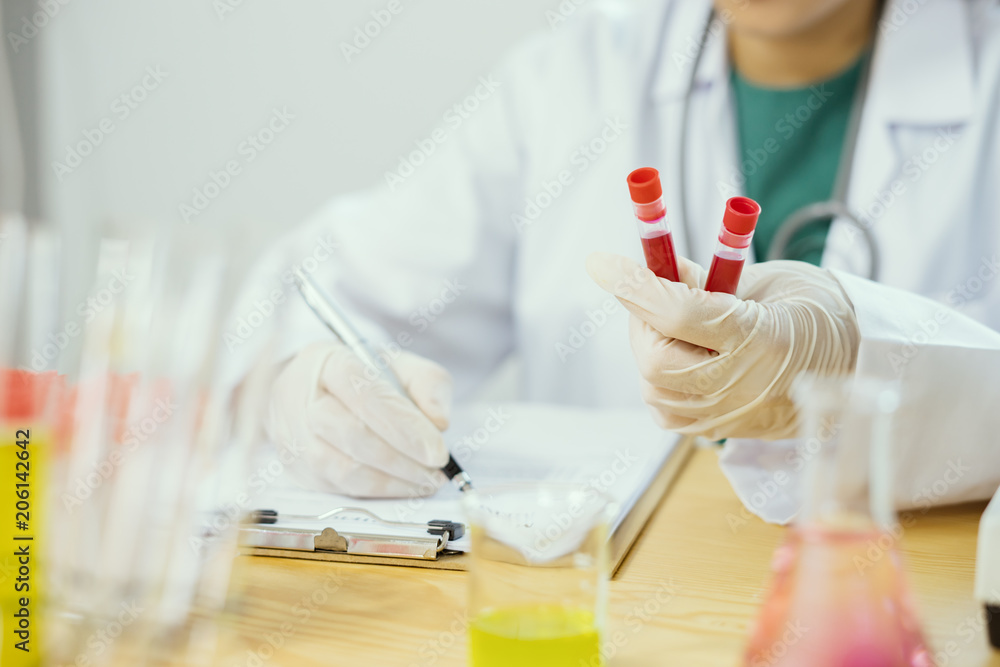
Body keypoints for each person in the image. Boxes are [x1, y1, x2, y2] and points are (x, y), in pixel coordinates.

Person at [251, 0, 1000, 521]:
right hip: (607, 601)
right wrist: (302, 383)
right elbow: (318, 293)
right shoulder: (576, 73)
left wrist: (861, 357)